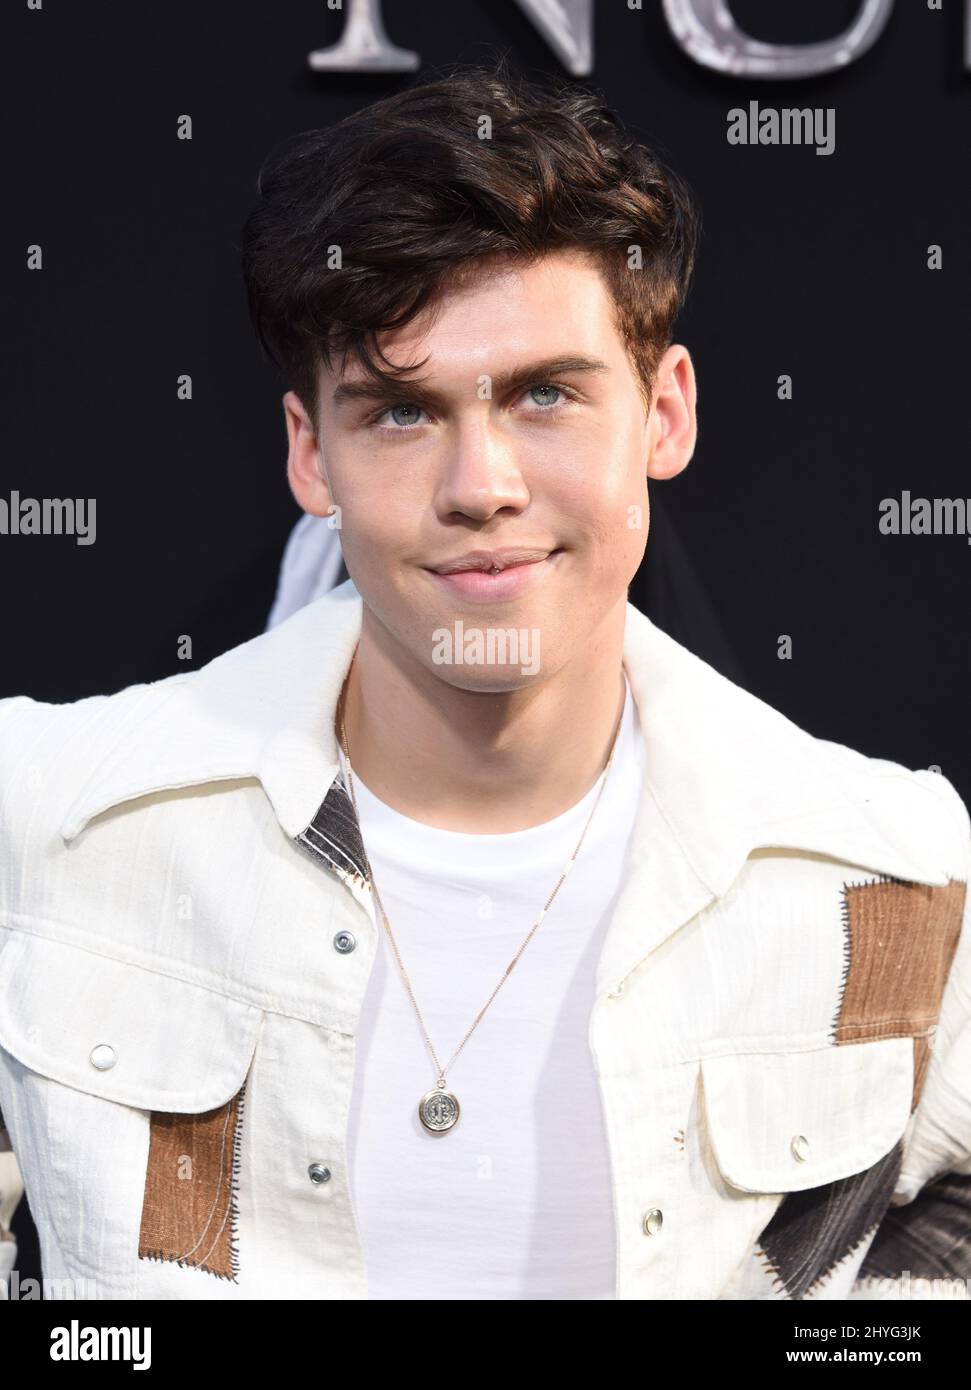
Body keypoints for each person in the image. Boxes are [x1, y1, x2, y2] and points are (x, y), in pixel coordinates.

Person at [0, 59, 968, 1302]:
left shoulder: (885, 871)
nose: (481, 485)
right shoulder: (46, 826)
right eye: (401, 413)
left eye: (546, 395)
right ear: (309, 454)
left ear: (663, 413)